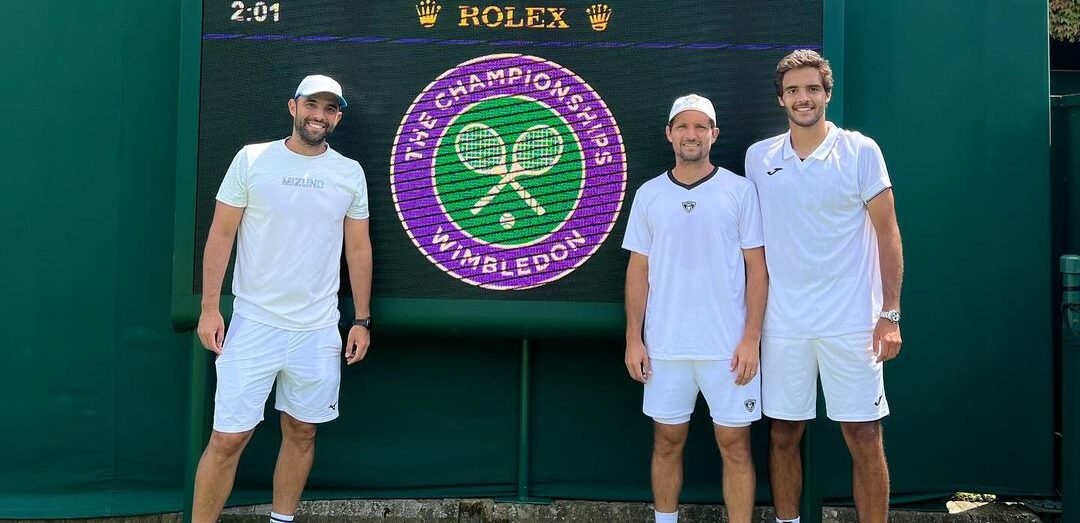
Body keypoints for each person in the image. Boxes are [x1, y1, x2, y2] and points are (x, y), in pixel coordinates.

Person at [192, 75, 373, 523]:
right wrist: (210, 309)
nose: (320, 115)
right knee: (228, 439)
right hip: (253, 325)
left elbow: (359, 248)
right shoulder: (252, 159)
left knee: (303, 432)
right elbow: (221, 234)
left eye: (330, 109)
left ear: (338, 117)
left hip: (317, 331)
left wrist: (361, 320)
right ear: (293, 107)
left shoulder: (349, 172)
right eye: (312, 104)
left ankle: (282, 520)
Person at [744, 50, 904, 523]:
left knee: (864, 436)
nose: (803, 98)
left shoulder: (861, 151)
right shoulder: (758, 158)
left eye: (812, 88)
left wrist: (889, 313)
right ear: (781, 99)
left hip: (852, 323)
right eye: (793, 90)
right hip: (784, 325)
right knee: (782, 434)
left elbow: (888, 233)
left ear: (827, 94)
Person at [623, 94, 768, 523]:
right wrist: (634, 338)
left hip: (728, 350)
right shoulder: (649, 195)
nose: (692, 134)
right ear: (669, 134)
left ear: (714, 134)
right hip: (666, 348)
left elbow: (757, 269)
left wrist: (751, 339)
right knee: (667, 442)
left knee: (736, 446)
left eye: (701, 127)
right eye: (683, 126)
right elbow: (638, 270)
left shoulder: (740, 191)